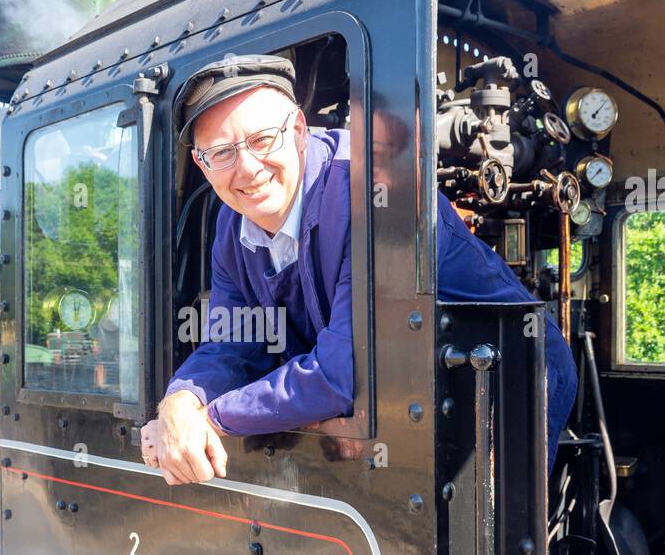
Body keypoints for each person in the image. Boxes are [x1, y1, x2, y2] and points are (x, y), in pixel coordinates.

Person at [140, 54, 577, 486]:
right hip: (393, 397)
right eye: (222, 152)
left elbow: (342, 372)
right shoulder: (231, 227)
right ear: (201, 164)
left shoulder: (376, 192)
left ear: (296, 130)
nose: (247, 169)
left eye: (261, 140)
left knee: (488, 541)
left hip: (501, 378)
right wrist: (181, 400)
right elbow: (234, 343)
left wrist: (207, 419)